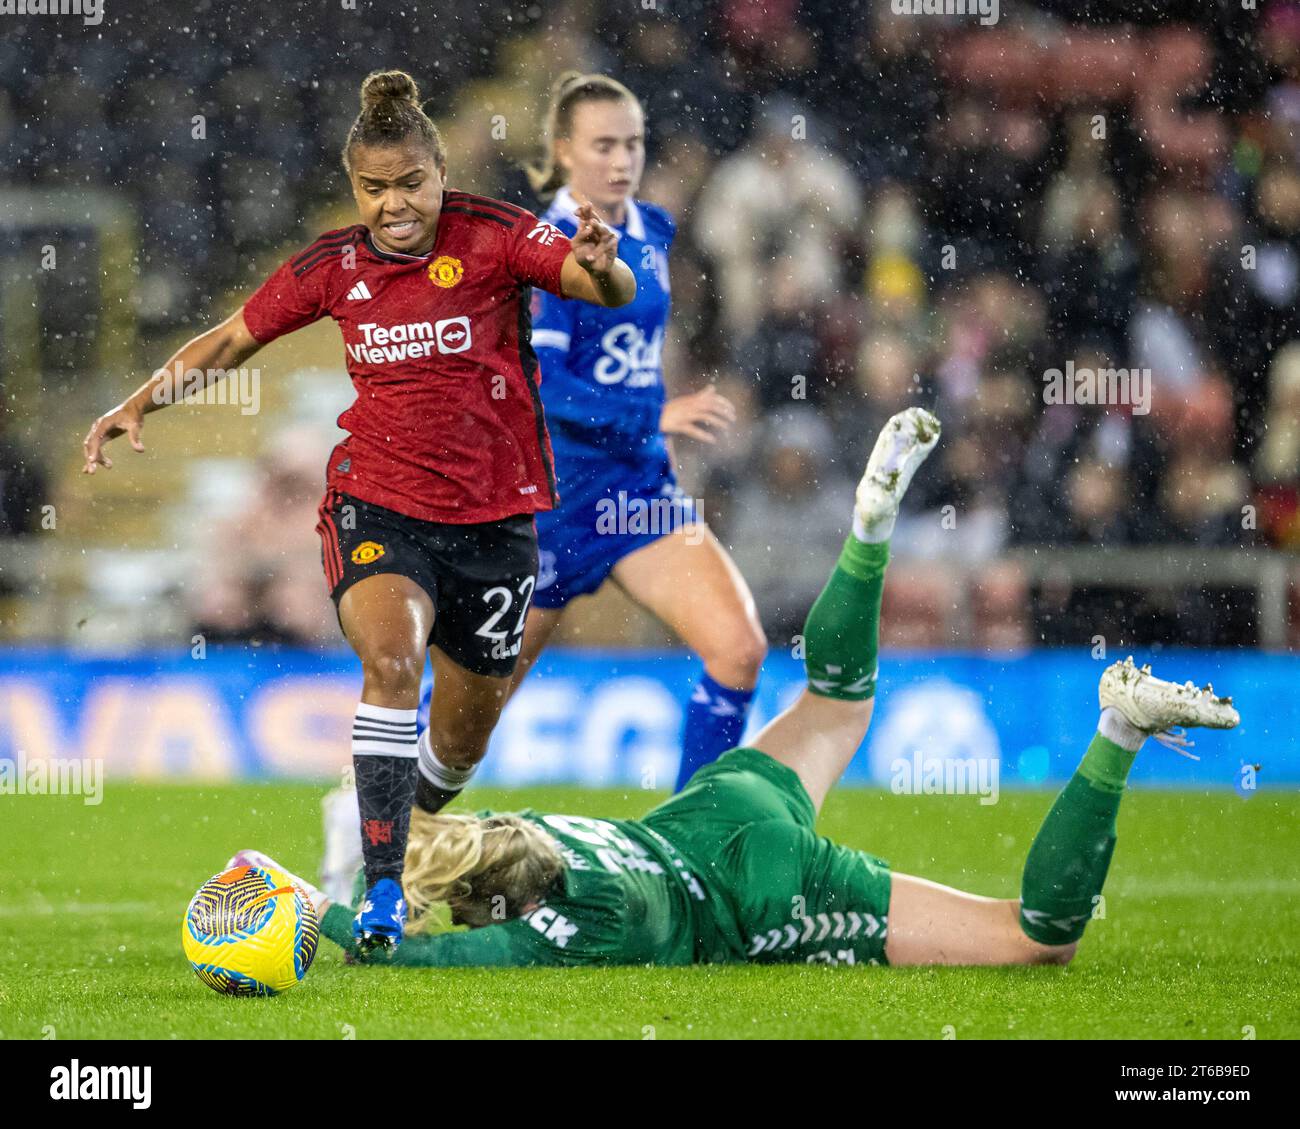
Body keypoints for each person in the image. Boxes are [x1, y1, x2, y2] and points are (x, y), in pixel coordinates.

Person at [236, 409, 1241, 969]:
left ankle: (1116, 727)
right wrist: (296, 874)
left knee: (1034, 940)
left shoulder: (562, 931)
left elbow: (394, 958)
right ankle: (868, 536)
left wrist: (287, 913)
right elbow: (421, 893)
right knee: (841, 697)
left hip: (751, 887)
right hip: (706, 809)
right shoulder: (532, 832)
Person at [81, 69, 636, 957]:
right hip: (378, 502)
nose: (394, 205)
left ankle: (377, 816)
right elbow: (231, 338)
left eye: (411, 183)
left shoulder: (492, 236)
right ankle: (382, 894)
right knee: (390, 658)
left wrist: (605, 270)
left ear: (439, 171)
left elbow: (595, 280)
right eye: (374, 189)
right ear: (354, 187)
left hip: (498, 522)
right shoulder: (333, 265)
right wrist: (142, 402)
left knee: (462, 740)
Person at [512, 72, 767, 791]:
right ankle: (367, 815)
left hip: (639, 492)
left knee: (738, 650)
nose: (623, 160)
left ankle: (686, 849)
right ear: (565, 152)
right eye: (603, 145)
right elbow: (540, 384)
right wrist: (650, 414)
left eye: (633, 143)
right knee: (472, 716)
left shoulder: (652, 230)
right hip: (556, 501)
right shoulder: (543, 248)